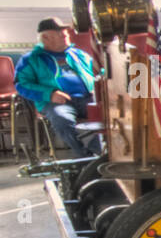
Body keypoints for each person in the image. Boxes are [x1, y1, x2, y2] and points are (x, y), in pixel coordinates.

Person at [14, 17, 99, 157]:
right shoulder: (30, 59)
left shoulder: (79, 54)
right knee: (62, 120)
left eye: (65, 32)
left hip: (87, 98)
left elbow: (98, 72)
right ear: (45, 37)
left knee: (111, 115)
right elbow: (21, 85)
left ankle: (101, 153)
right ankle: (86, 157)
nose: (65, 34)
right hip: (54, 102)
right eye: (59, 32)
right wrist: (50, 94)